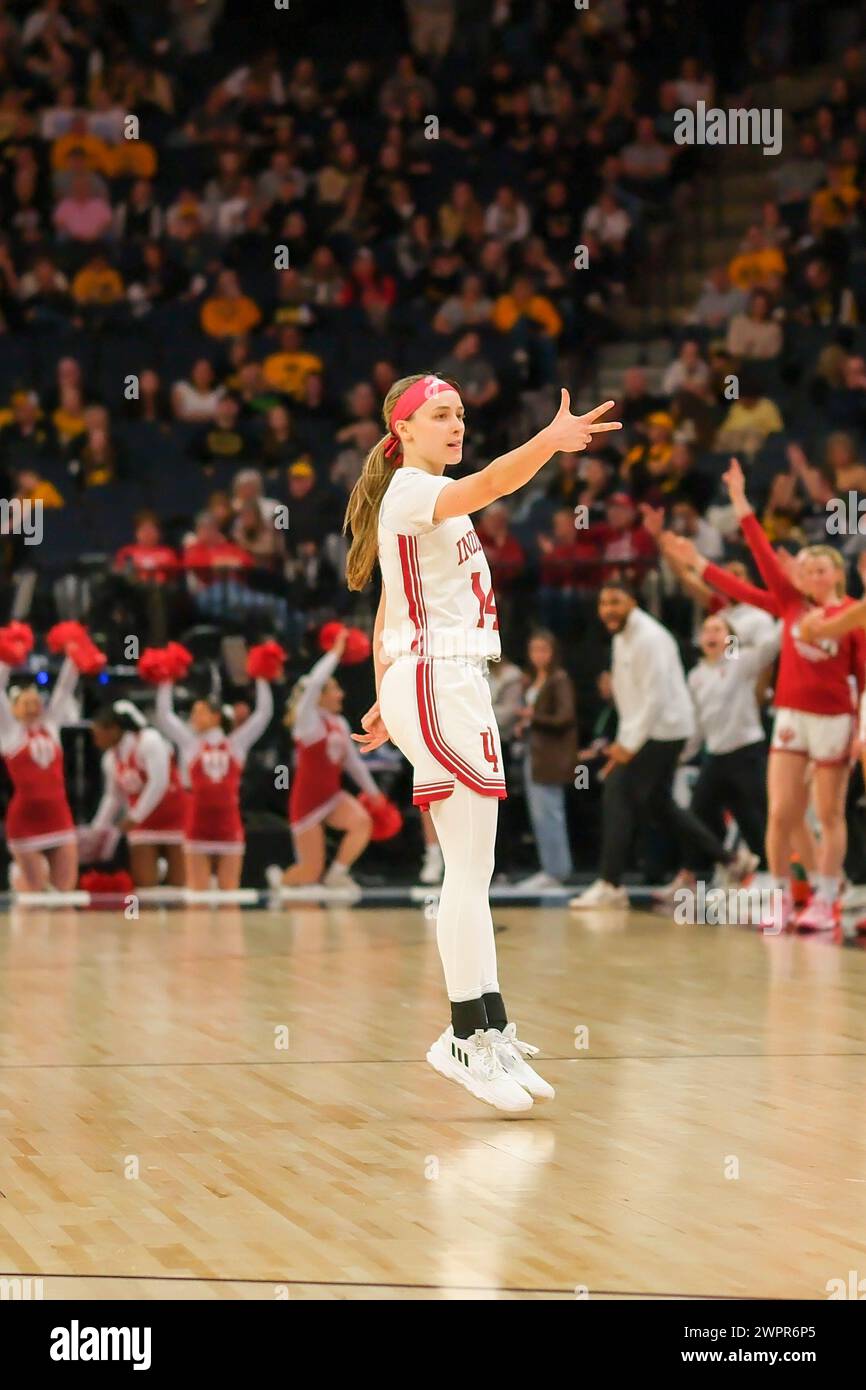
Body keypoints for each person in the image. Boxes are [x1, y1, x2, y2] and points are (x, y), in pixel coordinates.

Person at [345, 371, 622, 1113]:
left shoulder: (425, 498)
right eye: (440, 415)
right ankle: (463, 1036)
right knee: (467, 871)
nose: (455, 424)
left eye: (460, 413)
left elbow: (388, 608)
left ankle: (489, 1024)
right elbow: (498, 479)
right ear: (403, 429)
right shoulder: (412, 489)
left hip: (440, 677)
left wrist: (380, 690)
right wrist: (553, 442)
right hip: (438, 678)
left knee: (477, 866)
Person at [677, 460, 866, 931]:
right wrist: (739, 501)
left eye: (818, 567)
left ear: (835, 576)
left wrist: (861, 727)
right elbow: (755, 561)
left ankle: (827, 897)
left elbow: (862, 680)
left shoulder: (852, 616)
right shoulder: (789, 604)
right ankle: (782, 895)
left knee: (828, 811)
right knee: (780, 812)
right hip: (789, 713)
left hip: (834, 718)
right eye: (805, 567)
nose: (809, 572)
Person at [569, 581, 757, 910]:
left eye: (616, 601)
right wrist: (623, 742)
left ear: (633, 601)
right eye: (603, 603)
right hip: (647, 730)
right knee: (659, 805)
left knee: (616, 791)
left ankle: (610, 884)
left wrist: (628, 747)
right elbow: (631, 701)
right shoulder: (622, 638)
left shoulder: (651, 638)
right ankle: (730, 859)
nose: (608, 609)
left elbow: (654, 699)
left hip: (664, 730)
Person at [652, 612, 777, 903]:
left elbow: (770, 645)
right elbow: (696, 722)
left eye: (718, 629)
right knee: (696, 815)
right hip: (716, 756)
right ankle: (691, 875)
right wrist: (683, 755)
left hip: (747, 752)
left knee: (755, 814)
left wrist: (787, 610)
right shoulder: (695, 676)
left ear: (730, 636)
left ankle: (770, 876)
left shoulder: (738, 662)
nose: (711, 634)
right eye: (706, 629)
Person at [270, 629, 382, 896]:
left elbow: (352, 763)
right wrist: (335, 653)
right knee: (309, 873)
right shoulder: (307, 721)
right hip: (307, 802)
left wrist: (374, 794)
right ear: (321, 695)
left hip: (331, 797)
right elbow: (313, 682)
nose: (341, 694)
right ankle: (279, 883)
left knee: (362, 822)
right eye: (335, 690)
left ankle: (337, 876)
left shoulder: (339, 723)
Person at [155, 677, 274, 891]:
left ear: (216, 716)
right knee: (197, 898)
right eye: (192, 713)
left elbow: (263, 715)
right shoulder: (190, 745)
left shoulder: (236, 744)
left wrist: (260, 677)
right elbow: (164, 716)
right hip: (197, 825)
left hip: (229, 826)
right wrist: (167, 679)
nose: (193, 717)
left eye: (199, 712)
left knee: (229, 896)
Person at [0, 654, 83, 891]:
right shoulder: (9, 734)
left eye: (36, 702)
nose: (32, 707)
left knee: (64, 893)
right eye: (25, 703)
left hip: (59, 816)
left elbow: (65, 688)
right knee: (34, 894)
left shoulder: (51, 727)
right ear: (12, 709)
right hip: (25, 820)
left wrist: (75, 654)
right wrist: (7, 655)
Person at [87, 702, 188, 888]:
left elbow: (159, 782)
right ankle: (141, 917)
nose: (95, 740)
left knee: (179, 886)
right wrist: (97, 830)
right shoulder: (110, 759)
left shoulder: (149, 740)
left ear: (114, 730)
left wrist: (135, 816)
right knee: (144, 884)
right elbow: (113, 797)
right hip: (144, 824)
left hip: (174, 816)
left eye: (97, 733)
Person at [514, 630, 577, 890]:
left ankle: (556, 870)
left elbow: (565, 716)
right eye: (534, 649)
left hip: (550, 757)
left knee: (550, 813)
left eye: (544, 649)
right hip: (535, 752)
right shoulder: (535, 680)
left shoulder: (559, 679)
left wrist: (532, 717)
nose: (539, 655)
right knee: (541, 814)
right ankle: (550, 868)